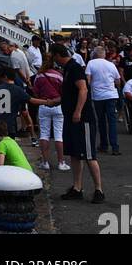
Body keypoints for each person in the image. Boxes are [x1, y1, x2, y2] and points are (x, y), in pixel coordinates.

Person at [52, 41, 104, 203]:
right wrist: (54, 101)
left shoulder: (74, 68)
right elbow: (71, 93)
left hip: (83, 119)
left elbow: (83, 89)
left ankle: (98, 189)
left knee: (89, 155)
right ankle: (77, 187)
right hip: (71, 118)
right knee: (75, 154)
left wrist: (78, 111)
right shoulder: (67, 69)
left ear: (57, 55)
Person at [29, 55, 68, 172]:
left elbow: (35, 93)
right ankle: (61, 162)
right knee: (59, 135)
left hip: (44, 105)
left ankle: (45, 162)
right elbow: (63, 91)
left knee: (44, 134)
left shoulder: (38, 76)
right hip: (58, 106)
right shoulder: (58, 75)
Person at [0, 66, 29, 162]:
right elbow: (31, 100)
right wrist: (47, 102)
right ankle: (5, 171)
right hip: (9, 125)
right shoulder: (18, 88)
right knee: (7, 148)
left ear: (4, 77)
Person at [87, 45, 122, 155]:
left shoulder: (91, 63)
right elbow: (118, 81)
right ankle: (115, 146)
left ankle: (104, 144)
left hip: (98, 96)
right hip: (111, 95)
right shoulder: (111, 64)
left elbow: (88, 80)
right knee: (112, 122)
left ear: (95, 54)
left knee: (101, 121)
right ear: (104, 54)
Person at [0, 41, 36, 139]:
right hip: (25, 81)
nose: (3, 52)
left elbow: (18, 71)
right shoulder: (20, 52)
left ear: (9, 47)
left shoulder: (13, 57)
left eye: (4, 50)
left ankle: (24, 130)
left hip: (19, 85)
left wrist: (26, 81)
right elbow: (26, 67)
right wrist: (28, 79)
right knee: (24, 110)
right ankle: (29, 133)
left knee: (21, 110)